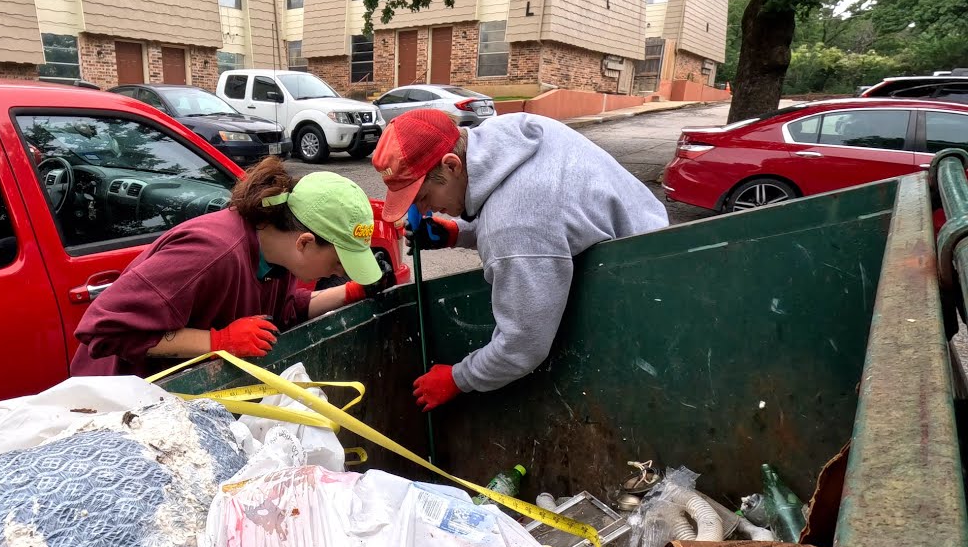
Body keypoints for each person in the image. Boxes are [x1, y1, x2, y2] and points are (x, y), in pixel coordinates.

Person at [373, 109, 668, 411]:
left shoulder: (513, 227)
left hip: (644, 299)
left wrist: (458, 378)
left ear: (451, 165)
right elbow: (546, 213)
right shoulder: (509, 135)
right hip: (657, 239)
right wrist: (458, 232)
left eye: (423, 198)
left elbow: (524, 346)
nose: (424, 212)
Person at [71, 157, 385, 376]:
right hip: (122, 404)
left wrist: (350, 292)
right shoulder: (210, 252)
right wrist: (219, 342)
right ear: (304, 242)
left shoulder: (275, 257)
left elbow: (284, 311)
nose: (339, 272)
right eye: (338, 262)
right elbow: (105, 329)